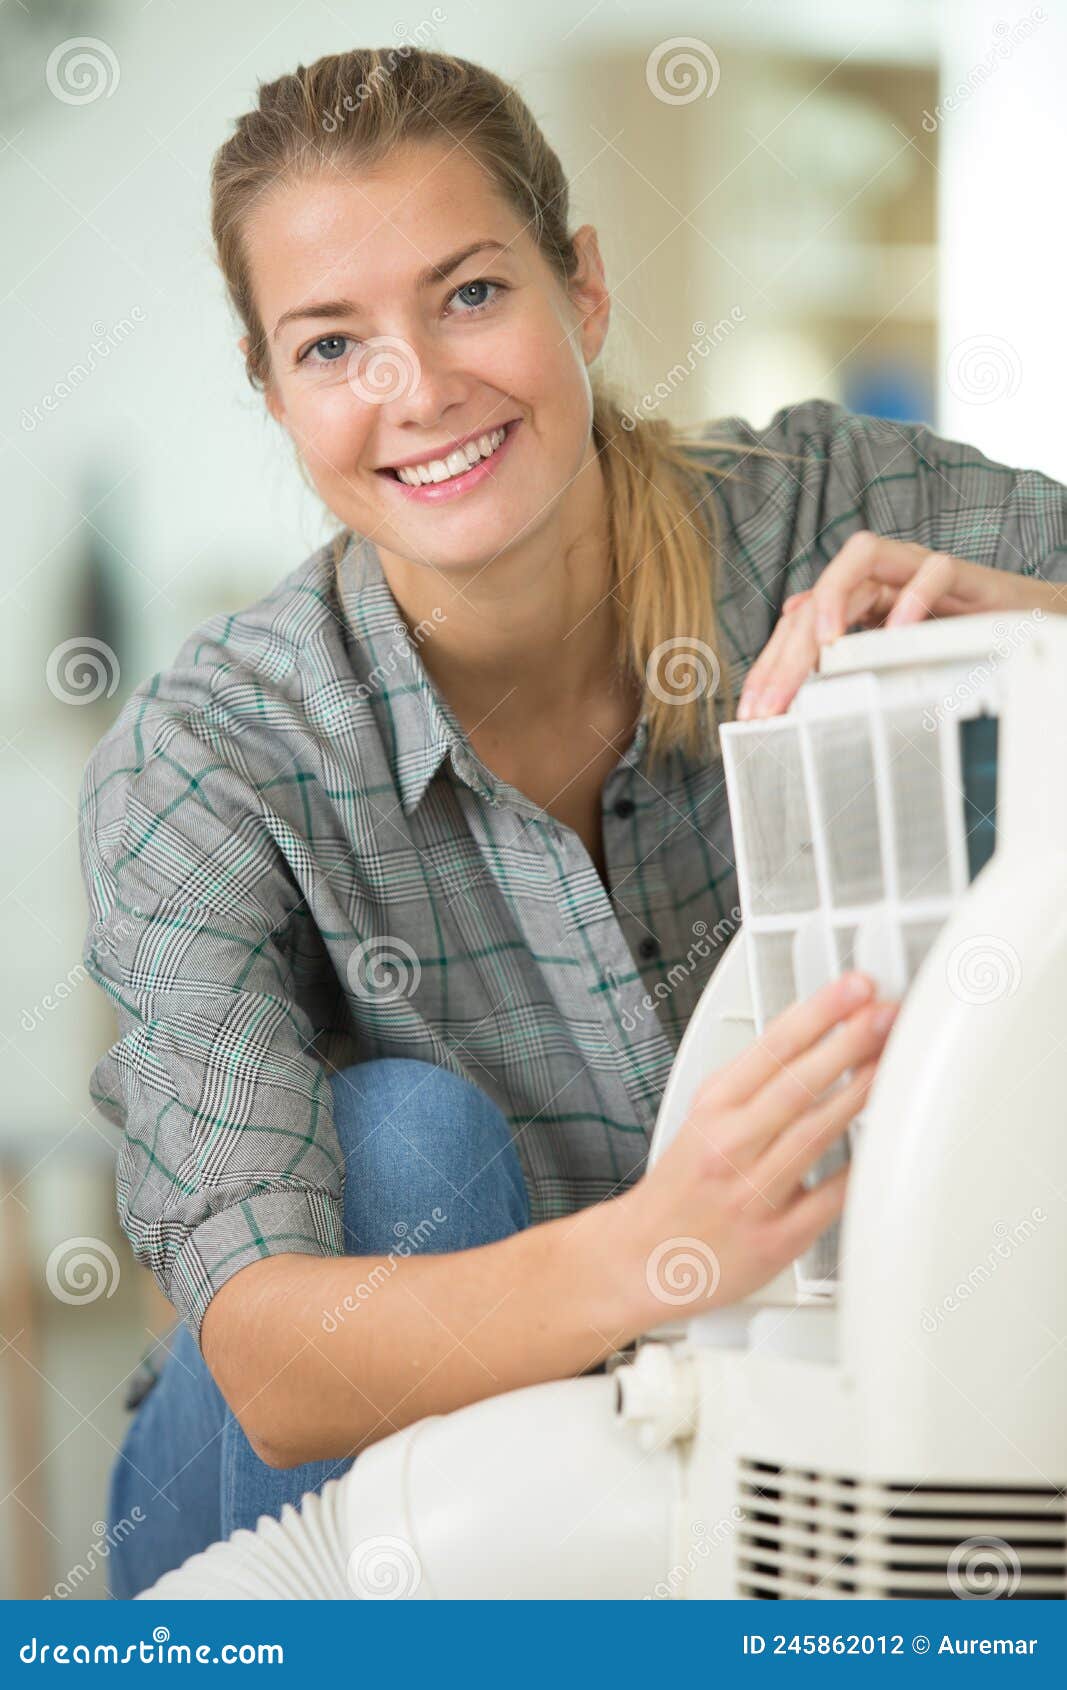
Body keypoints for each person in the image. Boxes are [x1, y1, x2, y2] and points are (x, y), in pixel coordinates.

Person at [76, 45, 1067, 1600]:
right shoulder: (211, 758)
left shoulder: (830, 518)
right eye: (333, 345)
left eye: (469, 294)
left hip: (746, 1452)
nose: (418, 389)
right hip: (299, 1518)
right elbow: (268, 1362)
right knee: (410, 1144)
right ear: (275, 394)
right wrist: (671, 1246)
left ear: (582, 291)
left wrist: (1043, 627)